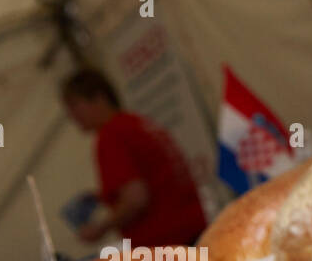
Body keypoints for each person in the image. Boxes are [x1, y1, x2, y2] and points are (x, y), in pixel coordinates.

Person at [61, 68, 207, 246]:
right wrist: (105, 196)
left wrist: (100, 228)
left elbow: (136, 198)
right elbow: (156, 178)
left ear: (99, 97)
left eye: (74, 105)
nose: (72, 116)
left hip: (168, 245)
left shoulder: (110, 135)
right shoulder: (139, 123)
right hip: (196, 233)